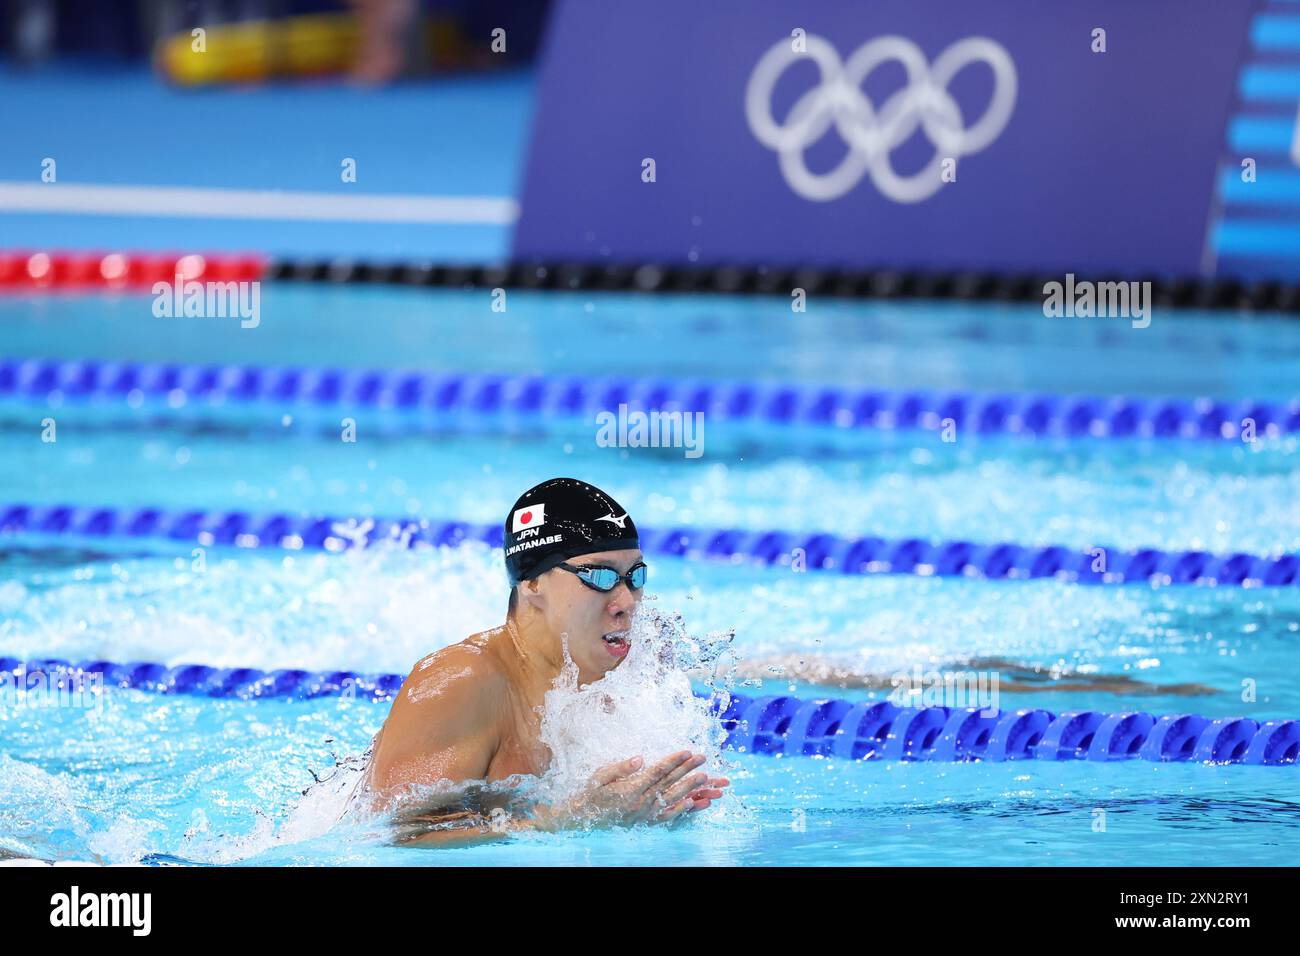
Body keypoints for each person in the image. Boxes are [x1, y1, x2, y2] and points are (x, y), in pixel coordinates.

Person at [358, 477, 729, 846]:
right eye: (599, 577)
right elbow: (398, 834)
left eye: (635, 577)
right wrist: (562, 823)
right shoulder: (460, 682)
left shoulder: (626, 672)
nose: (627, 602)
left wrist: (653, 809)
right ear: (532, 582)